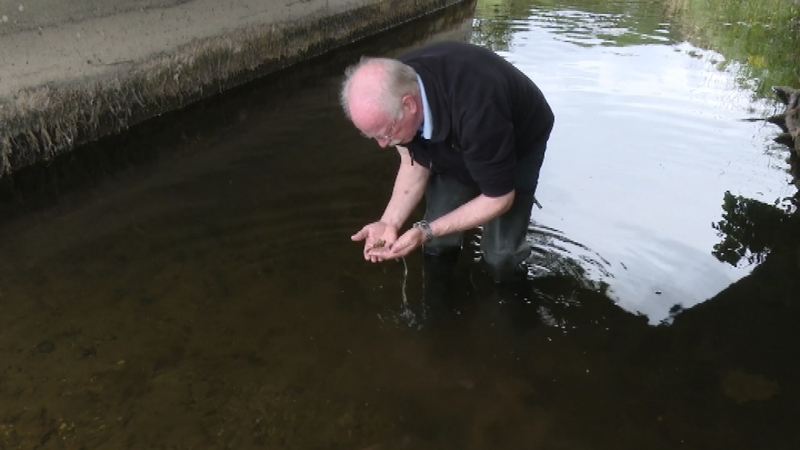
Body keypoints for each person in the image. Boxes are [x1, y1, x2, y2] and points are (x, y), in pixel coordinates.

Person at [340, 40, 554, 284]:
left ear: (409, 104)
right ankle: (442, 301)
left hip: (518, 139)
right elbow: (413, 162)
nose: (382, 143)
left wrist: (426, 230)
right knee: (437, 244)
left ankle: (505, 306)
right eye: (373, 136)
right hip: (454, 132)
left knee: (500, 256)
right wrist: (388, 222)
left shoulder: (478, 108)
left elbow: (499, 197)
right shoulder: (397, 88)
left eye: (386, 132)